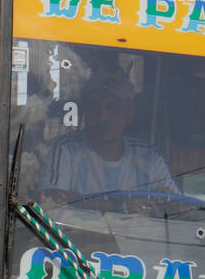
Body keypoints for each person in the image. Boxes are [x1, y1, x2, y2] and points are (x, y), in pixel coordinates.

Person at [39, 72, 179, 210]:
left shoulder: (150, 157)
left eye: (112, 108)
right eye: (94, 107)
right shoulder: (65, 149)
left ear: (129, 113)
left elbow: (180, 206)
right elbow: (51, 197)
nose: (102, 117)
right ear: (85, 112)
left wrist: (169, 204)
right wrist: (119, 205)